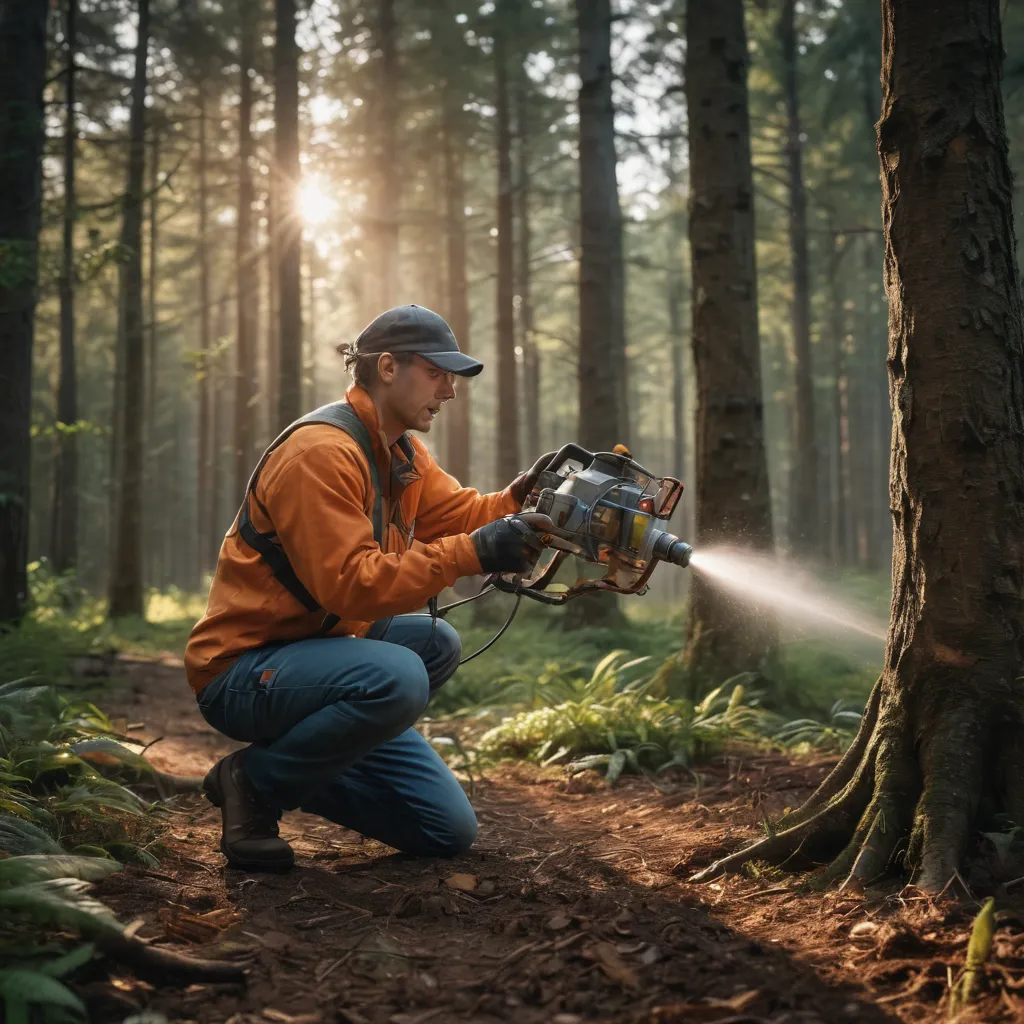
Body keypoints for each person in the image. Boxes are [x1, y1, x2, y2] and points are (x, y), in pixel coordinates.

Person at [184, 304, 555, 871]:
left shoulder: (398, 450)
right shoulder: (321, 453)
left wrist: (516, 501)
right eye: (436, 373)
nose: (449, 391)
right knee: (399, 673)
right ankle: (254, 783)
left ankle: (302, 761)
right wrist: (475, 552)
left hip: (319, 651)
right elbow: (350, 586)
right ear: (387, 367)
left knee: (444, 825)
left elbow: (456, 515)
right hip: (242, 671)